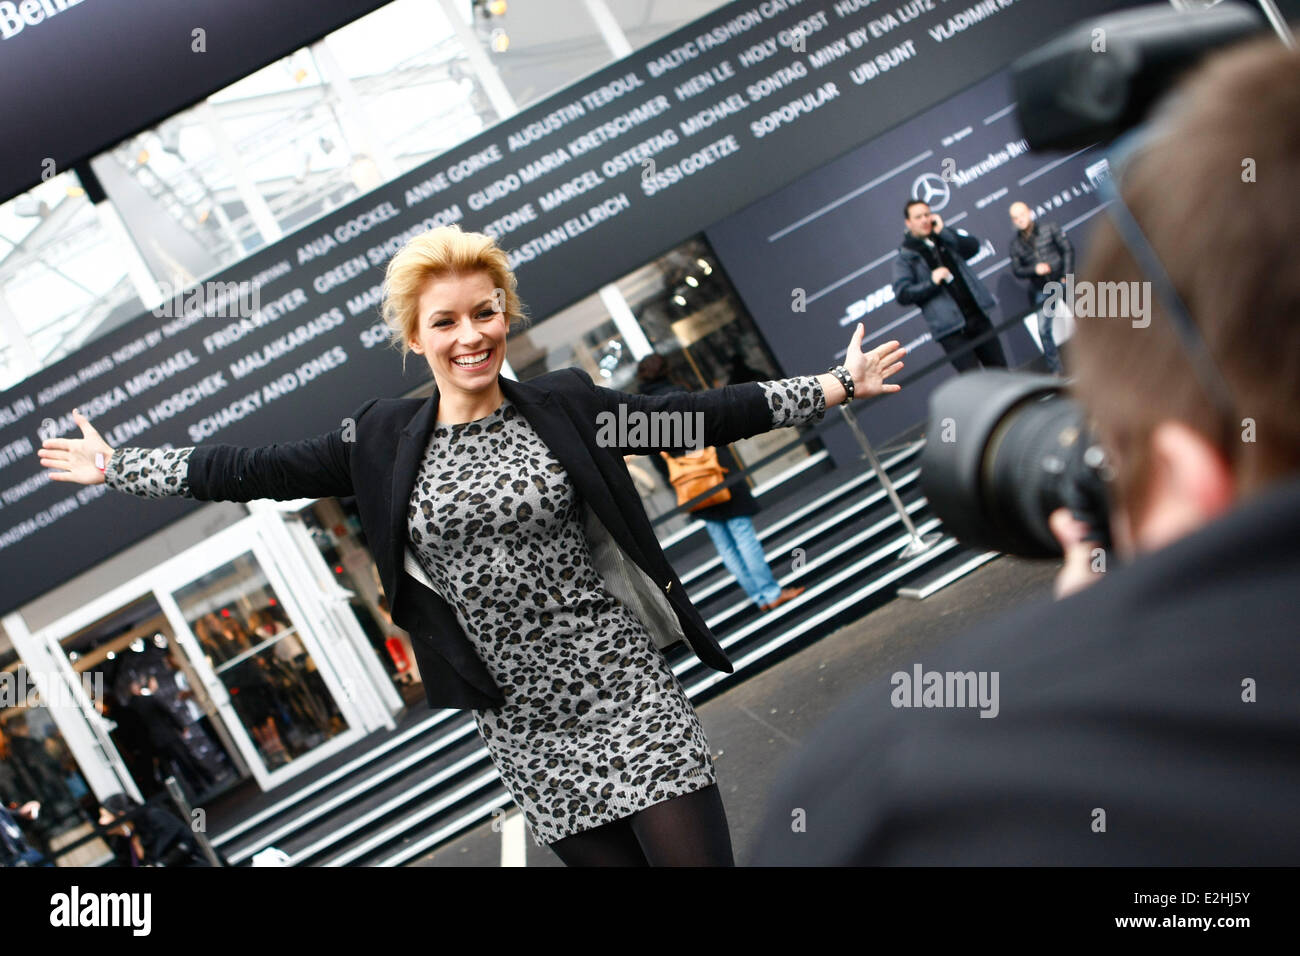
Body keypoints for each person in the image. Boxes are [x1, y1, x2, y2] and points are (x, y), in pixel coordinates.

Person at [40, 223, 906, 867]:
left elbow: (695, 416)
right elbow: (247, 468)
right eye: (447, 321)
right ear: (417, 338)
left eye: (486, 313)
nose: (472, 336)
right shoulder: (380, 440)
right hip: (520, 716)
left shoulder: (565, 405)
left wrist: (832, 385)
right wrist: (119, 465)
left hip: (620, 683)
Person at [751, 37, 1300, 865]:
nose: (930, 223)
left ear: (1186, 474)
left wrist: (1114, 640)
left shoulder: (895, 797)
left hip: (979, 321)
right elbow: (910, 287)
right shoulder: (907, 257)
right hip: (949, 330)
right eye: (923, 220)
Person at [634, 353, 804, 613]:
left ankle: (760, 598)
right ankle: (771, 593)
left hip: (690, 482)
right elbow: (714, 426)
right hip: (717, 472)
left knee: (724, 544)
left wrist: (676, 480)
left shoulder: (643, 407)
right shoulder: (681, 395)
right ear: (666, 370)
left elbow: (657, 456)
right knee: (742, 534)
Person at [892, 200, 1007, 372]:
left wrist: (943, 231)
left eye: (927, 214)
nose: (924, 220)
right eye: (918, 217)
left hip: (978, 317)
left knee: (1001, 372)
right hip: (951, 331)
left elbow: (973, 247)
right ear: (908, 223)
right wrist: (932, 282)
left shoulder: (945, 238)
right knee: (974, 384)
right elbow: (903, 294)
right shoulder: (905, 257)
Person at [1008, 201, 1073, 374]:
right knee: (1043, 330)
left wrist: (1066, 276)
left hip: (1062, 280)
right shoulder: (1015, 245)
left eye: (1022, 214)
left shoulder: (1049, 228)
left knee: (1085, 317)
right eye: (1016, 218)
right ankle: (1056, 371)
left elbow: (1067, 250)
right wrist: (1034, 269)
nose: (1020, 220)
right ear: (1013, 222)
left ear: (1029, 212)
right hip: (1042, 290)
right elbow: (1017, 270)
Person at [97, 793, 215, 867]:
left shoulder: (154, 818)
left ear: (121, 815)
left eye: (105, 816)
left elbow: (187, 842)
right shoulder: (122, 843)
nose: (101, 822)